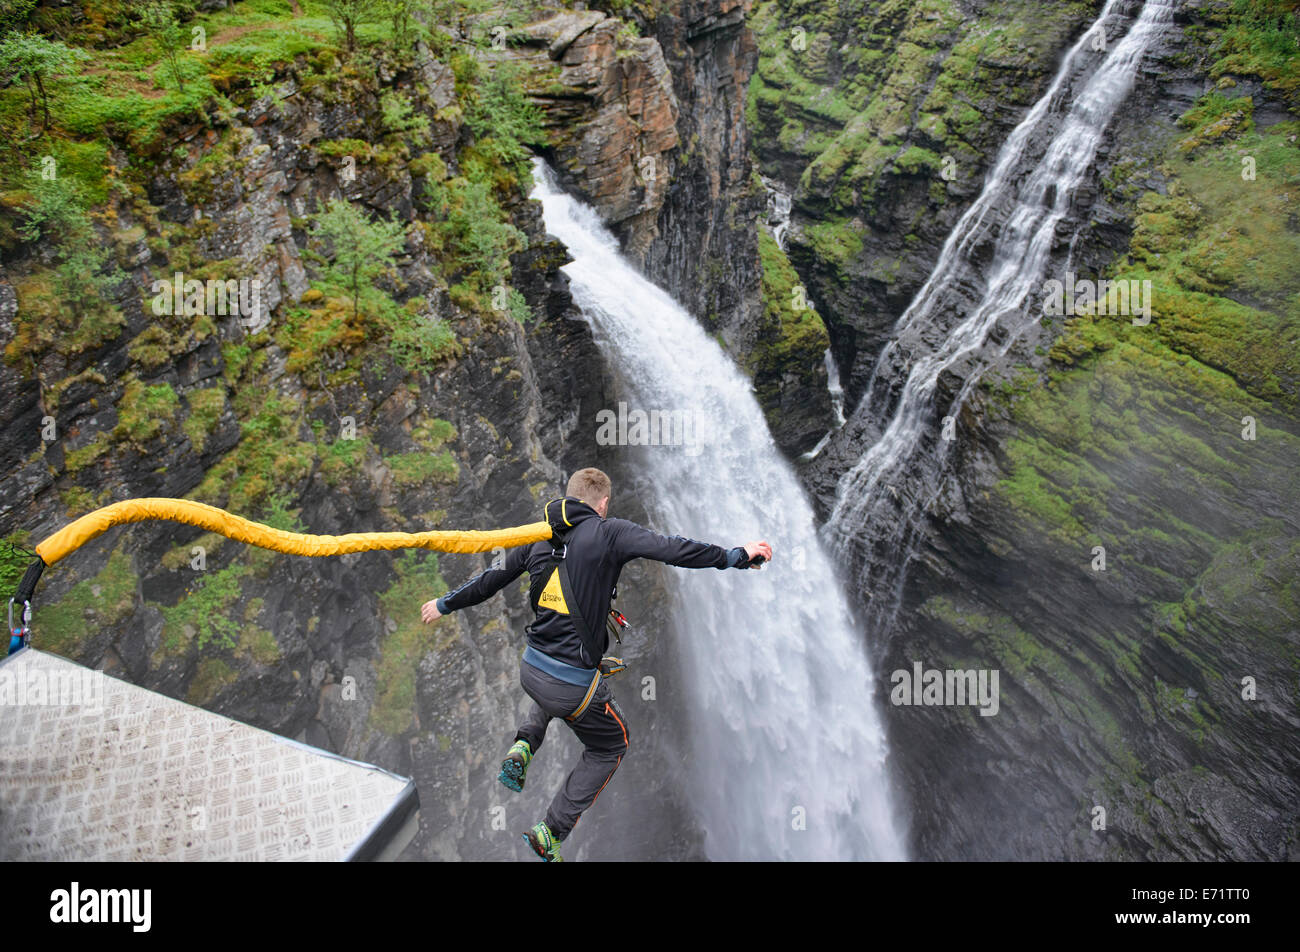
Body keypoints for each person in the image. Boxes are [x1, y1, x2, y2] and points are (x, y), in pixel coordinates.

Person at [420, 467, 771, 861]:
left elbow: (489, 580)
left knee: (556, 682)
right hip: (570, 686)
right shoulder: (611, 532)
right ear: (602, 504)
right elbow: (673, 548)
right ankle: (550, 831)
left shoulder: (537, 539)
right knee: (612, 745)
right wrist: (736, 556)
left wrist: (444, 604)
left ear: (570, 497)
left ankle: (523, 744)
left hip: (531, 670)